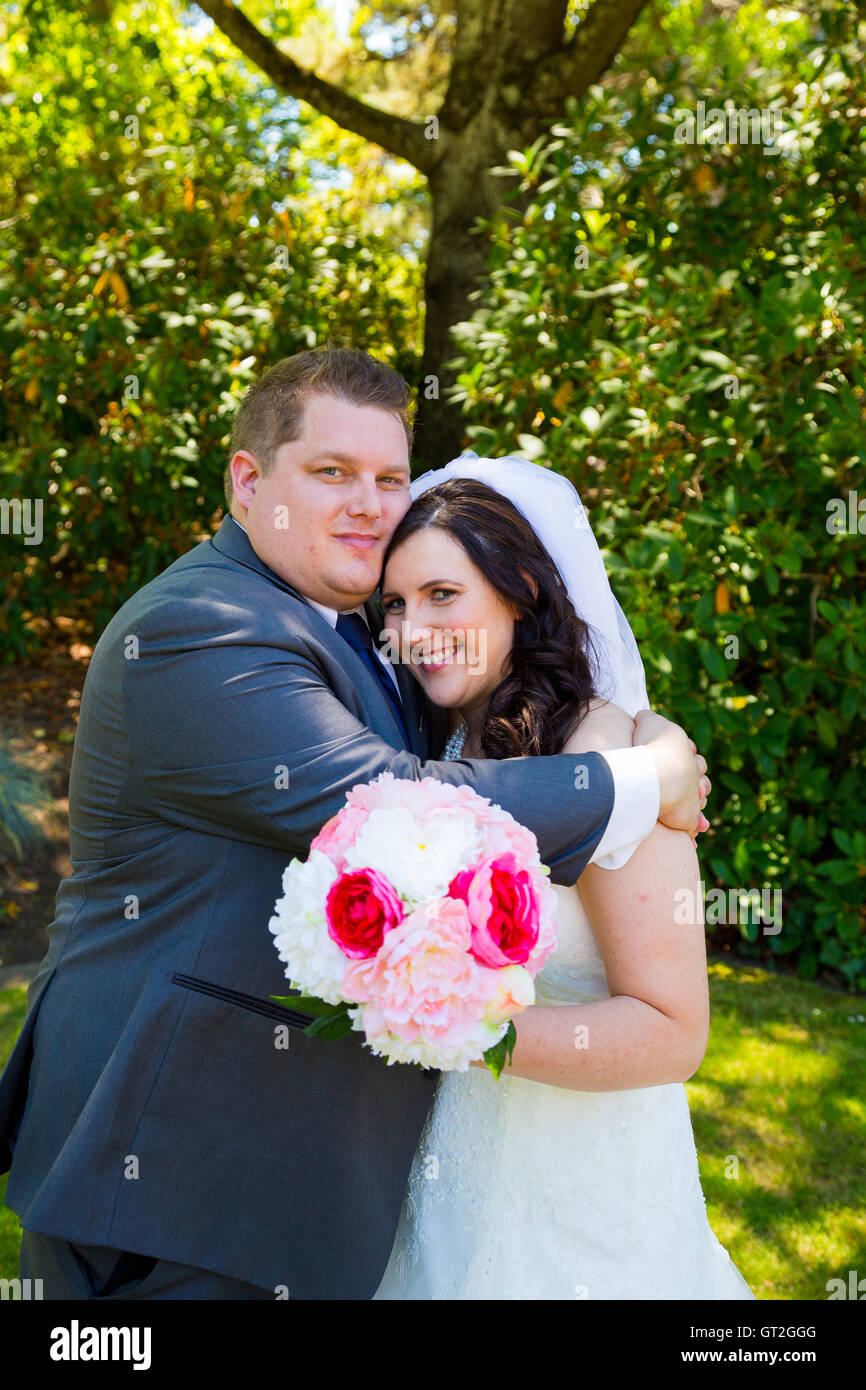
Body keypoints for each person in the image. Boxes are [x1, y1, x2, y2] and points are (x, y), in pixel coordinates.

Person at [0, 349, 707, 1301]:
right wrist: (641, 774)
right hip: (173, 1170)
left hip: (311, 1184)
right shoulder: (199, 625)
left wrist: (638, 727)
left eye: (388, 478)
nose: (369, 504)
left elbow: (482, 761)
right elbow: (388, 803)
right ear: (248, 482)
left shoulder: (365, 649)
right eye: (332, 472)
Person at [372, 455, 754, 1300]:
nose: (410, 628)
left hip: (581, 1192)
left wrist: (464, 1030)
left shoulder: (609, 752)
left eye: (443, 594)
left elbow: (673, 1030)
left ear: (523, 594)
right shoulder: (438, 748)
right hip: (448, 1165)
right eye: (394, 604)